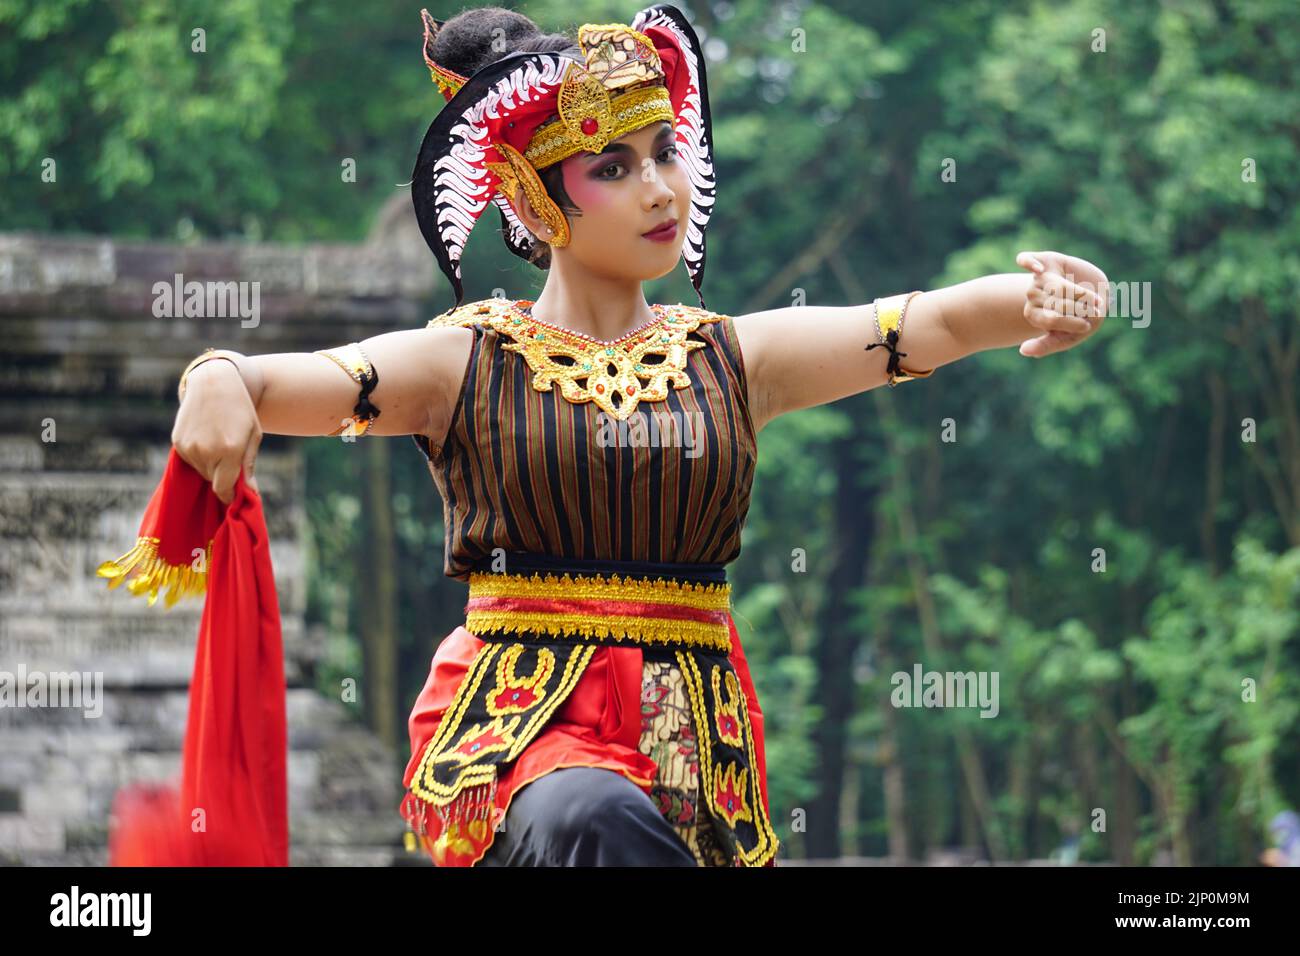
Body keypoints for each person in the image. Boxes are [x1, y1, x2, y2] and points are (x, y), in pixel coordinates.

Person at [169, 3, 1109, 867]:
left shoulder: (733, 358)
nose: (660, 188)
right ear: (536, 202)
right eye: (613, 168)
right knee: (587, 816)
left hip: (693, 740)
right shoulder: (467, 363)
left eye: (665, 153)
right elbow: (320, 381)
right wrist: (222, 376)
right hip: (525, 737)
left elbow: (914, 327)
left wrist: (1028, 299)